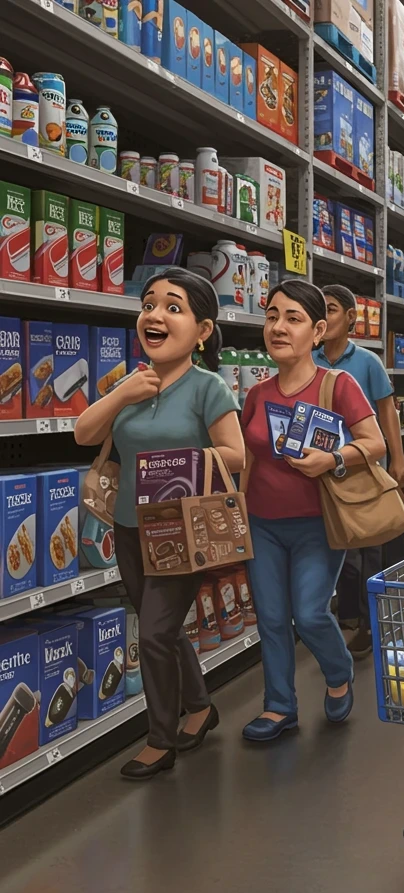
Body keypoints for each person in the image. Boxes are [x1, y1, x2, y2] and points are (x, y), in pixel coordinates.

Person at [74, 268, 244, 779]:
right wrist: (125, 392)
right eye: (149, 304)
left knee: (152, 633)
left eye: (174, 307)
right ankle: (200, 706)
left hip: (182, 529)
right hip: (127, 528)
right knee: (163, 631)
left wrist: (178, 466)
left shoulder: (207, 388)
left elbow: (236, 456)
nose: (155, 315)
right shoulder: (132, 381)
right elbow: (84, 433)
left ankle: (160, 739)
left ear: (203, 330)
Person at [239, 280, 386, 742]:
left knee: (308, 612)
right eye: (271, 317)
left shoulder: (337, 385)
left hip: (318, 521)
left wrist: (335, 458)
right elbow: (246, 458)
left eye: (293, 319)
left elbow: (375, 443)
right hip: (261, 523)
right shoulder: (257, 394)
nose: (278, 327)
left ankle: (339, 671)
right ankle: (279, 706)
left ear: (318, 330)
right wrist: (234, 518)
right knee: (271, 617)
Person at [315, 284, 404, 659]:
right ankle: (346, 617)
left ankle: (370, 626)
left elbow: (387, 413)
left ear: (351, 317)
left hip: (363, 468)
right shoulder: (310, 359)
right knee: (339, 553)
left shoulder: (367, 362)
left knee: (369, 551)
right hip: (321, 469)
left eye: (332, 309)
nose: (325, 317)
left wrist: (399, 460)